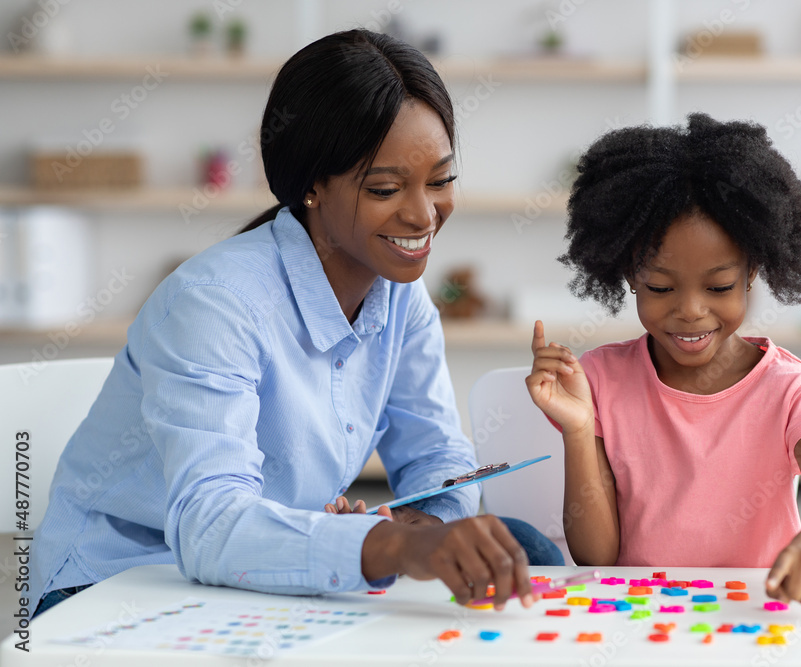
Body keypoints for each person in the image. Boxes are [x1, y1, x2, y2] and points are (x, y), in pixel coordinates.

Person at [31, 29, 561, 619]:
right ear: (312, 186)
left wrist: (426, 522)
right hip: (122, 582)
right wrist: (393, 545)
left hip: (254, 574)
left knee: (522, 545)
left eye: (440, 180)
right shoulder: (214, 302)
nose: (422, 214)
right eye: (386, 188)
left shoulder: (400, 295)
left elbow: (438, 455)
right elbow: (209, 525)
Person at [527, 113, 801, 605]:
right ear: (628, 274)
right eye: (661, 287)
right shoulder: (599, 378)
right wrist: (579, 430)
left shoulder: (790, 389)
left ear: (753, 272)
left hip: (753, 615)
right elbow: (595, 556)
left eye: (719, 287)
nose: (690, 310)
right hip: (637, 617)